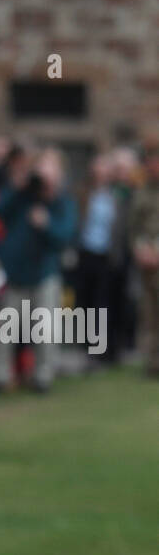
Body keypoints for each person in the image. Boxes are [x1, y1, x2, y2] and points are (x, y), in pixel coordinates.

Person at [0, 146, 77, 393]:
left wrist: (46, 222)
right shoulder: (22, 195)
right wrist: (21, 186)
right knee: (5, 328)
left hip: (44, 275)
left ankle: (42, 377)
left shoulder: (61, 201)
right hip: (16, 274)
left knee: (45, 330)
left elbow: (65, 236)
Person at [129, 137, 159, 378]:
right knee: (148, 314)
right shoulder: (142, 192)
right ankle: (152, 363)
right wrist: (139, 248)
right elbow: (134, 227)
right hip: (147, 262)